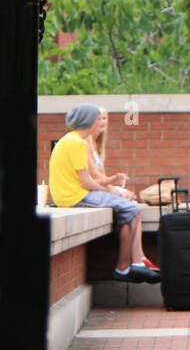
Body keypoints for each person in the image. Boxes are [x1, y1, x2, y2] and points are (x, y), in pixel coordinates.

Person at [49, 104, 160, 283]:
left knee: (128, 208)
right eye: (97, 118)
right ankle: (123, 268)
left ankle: (133, 264)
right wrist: (108, 190)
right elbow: (86, 182)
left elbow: (86, 180)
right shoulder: (77, 143)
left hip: (69, 194)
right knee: (131, 209)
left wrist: (110, 187)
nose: (99, 121)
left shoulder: (69, 139)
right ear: (90, 122)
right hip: (75, 196)